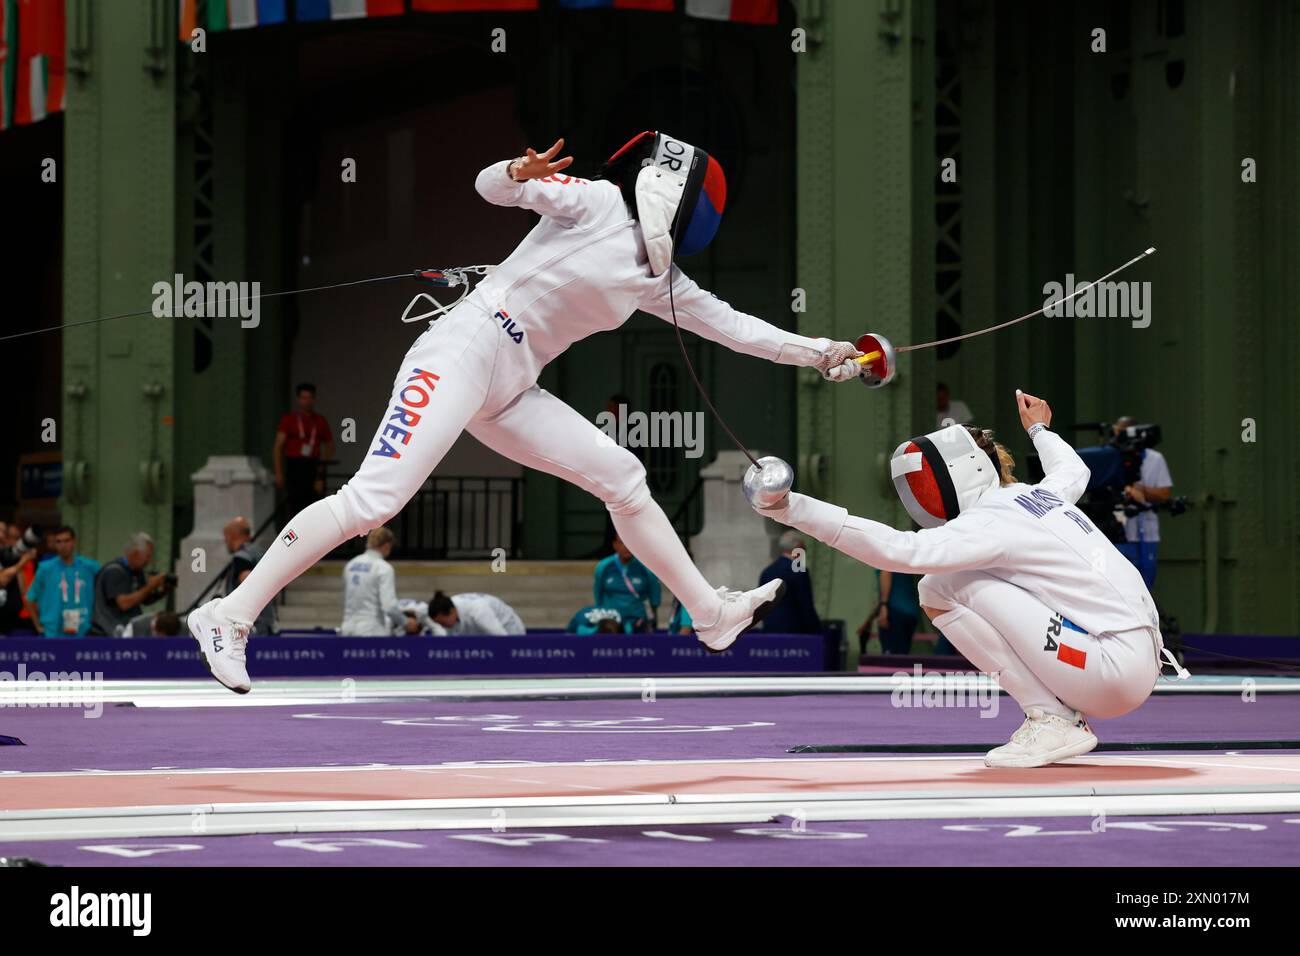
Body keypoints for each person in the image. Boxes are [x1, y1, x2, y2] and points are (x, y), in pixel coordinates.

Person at [189, 133, 864, 691]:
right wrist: (519, 169)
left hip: (510, 387)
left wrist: (822, 353)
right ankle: (230, 613)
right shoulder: (597, 200)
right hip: (460, 350)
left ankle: (710, 615)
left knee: (624, 476)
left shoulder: (660, 281)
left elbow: (740, 328)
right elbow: (492, 187)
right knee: (375, 500)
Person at [752, 390, 1185, 769]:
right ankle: (1057, 716)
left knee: (937, 586)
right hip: (1135, 658)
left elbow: (899, 550)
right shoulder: (1035, 496)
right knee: (955, 580)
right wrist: (1040, 430)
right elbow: (1074, 471)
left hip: (1107, 672)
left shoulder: (989, 523)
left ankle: (1051, 718)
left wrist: (791, 507)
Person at [1113, 415, 1173, 589]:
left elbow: (1164, 494)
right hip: (1118, 530)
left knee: (1146, 582)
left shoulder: (1155, 458)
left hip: (1146, 532)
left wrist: (1138, 489)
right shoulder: (1111, 456)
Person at [92, 532, 172, 636]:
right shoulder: (114, 571)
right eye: (147, 556)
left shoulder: (136, 572)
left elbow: (143, 599)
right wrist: (150, 586)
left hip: (127, 631)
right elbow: (124, 604)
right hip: (108, 633)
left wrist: (163, 591)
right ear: (135, 554)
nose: (149, 561)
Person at [25, 526, 100, 637]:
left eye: (66, 541)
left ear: (74, 542)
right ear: (54, 544)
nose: (63, 545)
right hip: (53, 632)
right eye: (58, 542)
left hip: (83, 631)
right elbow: (29, 599)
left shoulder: (90, 567)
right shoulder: (45, 568)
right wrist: (38, 626)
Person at [274, 383, 334, 520]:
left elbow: (330, 446)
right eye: (303, 397)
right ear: (298, 399)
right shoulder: (289, 419)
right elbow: (278, 447)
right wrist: (278, 472)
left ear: (314, 399)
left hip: (313, 465)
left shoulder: (320, 421)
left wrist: (321, 469)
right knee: (294, 504)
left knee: (313, 503)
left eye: (309, 398)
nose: (306, 401)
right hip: (294, 465)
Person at [340, 527, 404, 636]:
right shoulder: (383, 568)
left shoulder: (350, 565)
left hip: (347, 628)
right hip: (372, 631)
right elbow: (389, 606)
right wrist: (405, 622)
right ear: (387, 546)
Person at [220, 517, 276, 635]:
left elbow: (250, 586)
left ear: (231, 536)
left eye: (225, 537)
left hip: (252, 626)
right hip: (266, 621)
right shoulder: (261, 553)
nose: (225, 541)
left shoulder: (242, 557)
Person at [758, 530, 822, 634]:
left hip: (770, 630)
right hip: (795, 631)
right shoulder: (799, 571)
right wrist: (816, 630)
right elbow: (805, 604)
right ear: (799, 547)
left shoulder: (766, 572)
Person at [593, 535, 660, 632]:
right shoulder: (603, 567)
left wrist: (652, 622)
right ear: (615, 545)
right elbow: (598, 597)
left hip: (639, 624)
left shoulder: (647, 567)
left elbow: (655, 600)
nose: (626, 546)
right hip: (612, 626)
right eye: (622, 542)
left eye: (630, 542)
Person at [858, 568, 920, 654]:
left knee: (891, 658)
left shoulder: (884, 558)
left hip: (894, 611)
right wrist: (869, 620)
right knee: (901, 655)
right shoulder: (902, 559)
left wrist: (884, 606)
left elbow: (886, 572)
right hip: (910, 611)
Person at [429, 590, 525, 636]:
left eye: (443, 623)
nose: (443, 627)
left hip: (509, 630)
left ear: (452, 611)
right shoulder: (449, 607)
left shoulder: (478, 611)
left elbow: (502, 639)